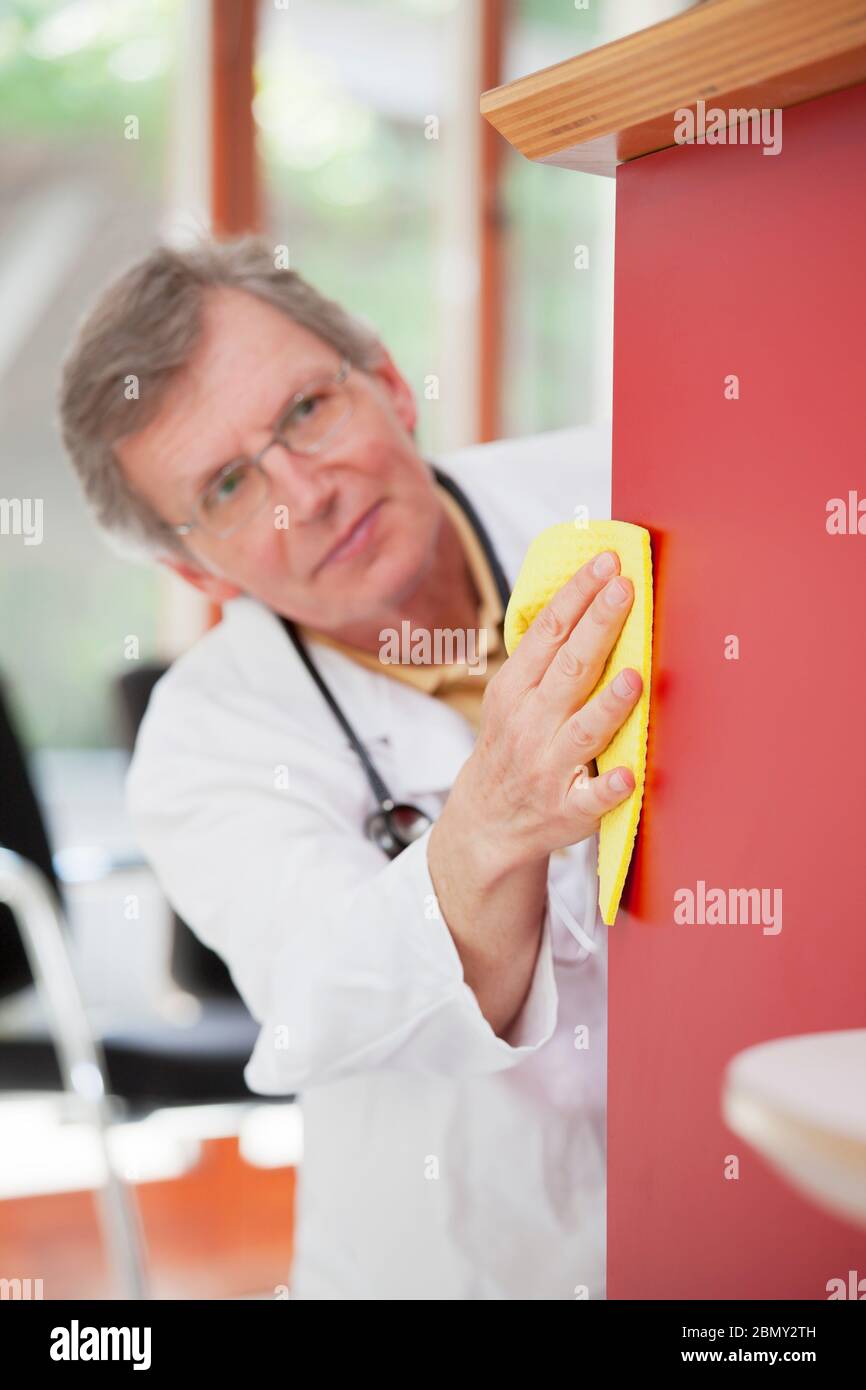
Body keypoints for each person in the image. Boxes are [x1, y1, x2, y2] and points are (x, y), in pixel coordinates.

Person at [57, 234, 641, 1300]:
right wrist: (490, 822)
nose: (303, 495)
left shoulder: (615, 489)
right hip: (460, 1264)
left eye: (305, 413)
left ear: (380, 379)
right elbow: (327, 998)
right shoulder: (203, 743)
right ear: (195, 567)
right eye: (230, 483)